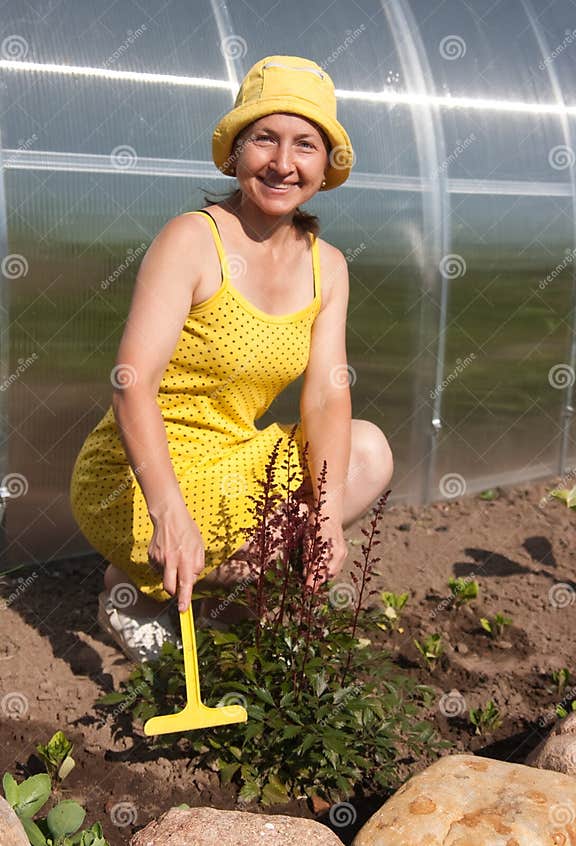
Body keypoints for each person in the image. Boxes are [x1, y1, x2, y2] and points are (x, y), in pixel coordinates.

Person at [69, 55, 394, 663]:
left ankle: (235, 604)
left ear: (325, 165)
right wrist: (169, 513)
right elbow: (130, 384)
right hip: (137, 479)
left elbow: (325, 396)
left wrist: (322, 521)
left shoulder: (329, 267)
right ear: (236, 152)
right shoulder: (193, 240)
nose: (282, 163)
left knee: (367, 450)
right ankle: (130, 591)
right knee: (246, 528)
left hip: (231, 460)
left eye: (305, 145)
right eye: (264, 139)